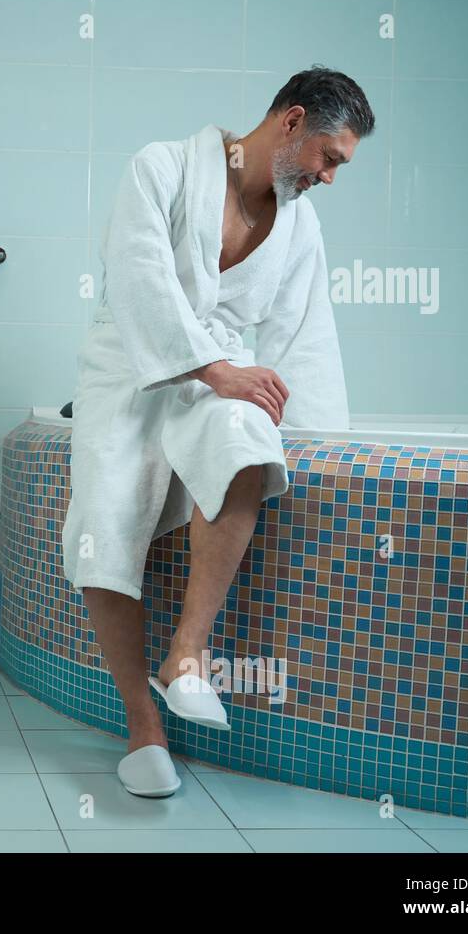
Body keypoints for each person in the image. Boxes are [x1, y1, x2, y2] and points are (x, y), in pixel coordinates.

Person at [60, 66, 375, 797]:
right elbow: (137, 276)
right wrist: (209, 367)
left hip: (224, 370)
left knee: (246, 438)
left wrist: (315, 431)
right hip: (134, 364)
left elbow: (304, 334)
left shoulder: (300, 223)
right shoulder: (163, 167)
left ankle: (187, 655)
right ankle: (144, 726)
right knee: (103, 516)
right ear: (292, 123)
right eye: (331, 157)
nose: (331, 177)